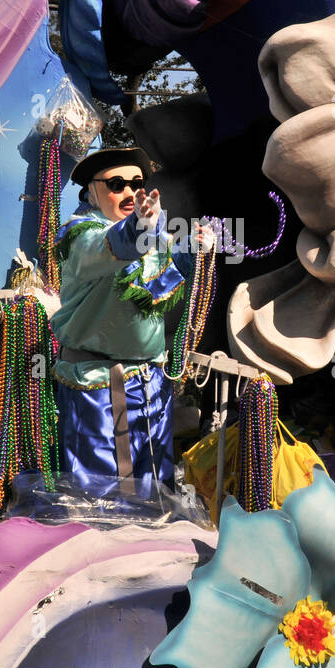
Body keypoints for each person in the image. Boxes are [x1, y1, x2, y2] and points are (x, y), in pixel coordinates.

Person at [51, 147, 209, 492]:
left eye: (136, 182)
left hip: (149, 384)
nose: (129, 192)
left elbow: (163, 280)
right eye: (117, 183)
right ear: (91, 192)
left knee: (153, 488)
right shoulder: (81, 235)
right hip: (96, 384)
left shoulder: (154, 236)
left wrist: (194, 250)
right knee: (97, 493)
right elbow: (108, 249)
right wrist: (138, 227)